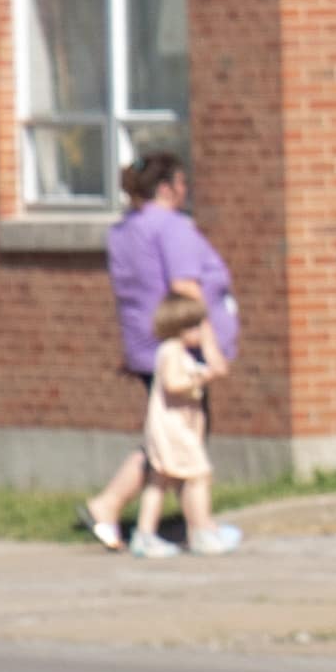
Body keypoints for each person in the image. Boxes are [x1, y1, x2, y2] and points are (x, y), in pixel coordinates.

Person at [84, 150, 239, 552]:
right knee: (178, 440)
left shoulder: (123, 231)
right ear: (168, 188)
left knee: (168, 435)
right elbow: (186, 289)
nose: (186, 191)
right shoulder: (172, 228)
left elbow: (134, 292)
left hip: (144, 345)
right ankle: (119, 507)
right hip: (179, 351)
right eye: (182, 183)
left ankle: (178, 525)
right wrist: (210, 347)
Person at [126, 282, 237, 558]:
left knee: (160, 480)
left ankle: (146, 533)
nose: (200, 332)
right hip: (173, 428)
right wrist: (199, 377)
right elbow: (174, 384)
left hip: (175, 426)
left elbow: (220, 368)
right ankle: (201, 531)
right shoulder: (171, 351)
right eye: (195, 327)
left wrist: (210, 347)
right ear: (178, 327)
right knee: (198, 475)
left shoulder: (179, 351)